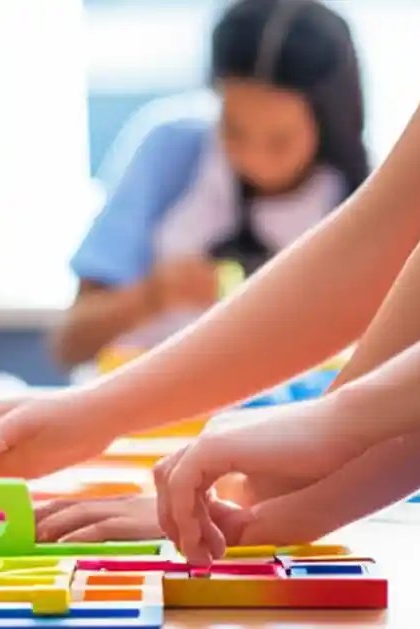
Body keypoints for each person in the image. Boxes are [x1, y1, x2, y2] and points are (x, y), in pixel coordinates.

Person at [0, 72, 420, 552]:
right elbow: (374, 244)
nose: (256, 157)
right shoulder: (171, 148)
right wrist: (96, 411)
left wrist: (329, 433)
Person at [53, 0, 367, 368]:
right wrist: (153, 296)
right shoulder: (171, 152)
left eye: (280, 141)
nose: (254, 158)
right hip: (153, 413)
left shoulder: (360, 195)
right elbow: (68, 344)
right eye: (233, 130)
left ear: (330, 122)